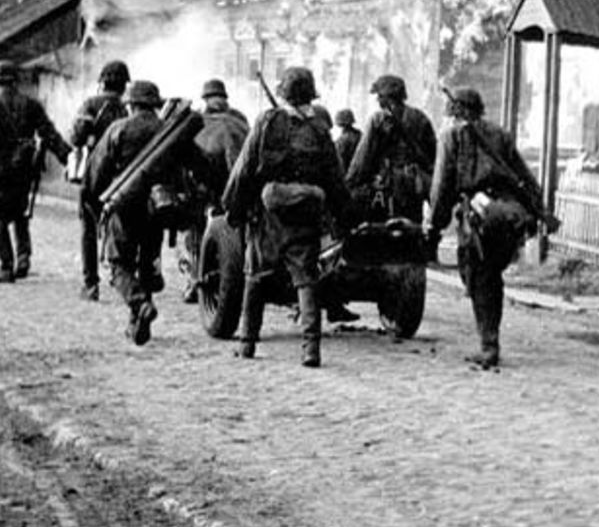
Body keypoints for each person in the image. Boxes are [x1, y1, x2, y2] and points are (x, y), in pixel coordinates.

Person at [222, 67, 351, 368]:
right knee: (306, 280)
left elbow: (244, 168)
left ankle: (247, 344)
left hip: (268, 217)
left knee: (255, 277)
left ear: (283, 94)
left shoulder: (267, 122)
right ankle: (310, 350)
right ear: (309, 96)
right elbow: (335, 179)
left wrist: (233, 208)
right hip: (305, 217)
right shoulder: (320, 129)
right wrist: (344, 215)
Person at [428, 88, 559, 369]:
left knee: (479, 275)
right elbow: (523, 176)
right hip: (509, 214)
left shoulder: (451, 136)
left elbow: (442, 185)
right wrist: (540, 212)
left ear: (456, 110)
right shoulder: (500, 135)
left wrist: (435, 225)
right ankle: (490, 340)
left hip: (479, 215)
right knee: (489, 275)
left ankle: (489, 346)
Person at [85, 80, 204, 345]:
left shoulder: (119, 129)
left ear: (131, 104)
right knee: (148, 264)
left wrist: (94, 200)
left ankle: (139, 306)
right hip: (158, 208)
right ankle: (139, 323)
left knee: (119, 266)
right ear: (154, 105)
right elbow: (198, 161)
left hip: (125, 206)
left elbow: (96, 171)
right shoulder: (170, 131)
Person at [0, 60, 72, 283]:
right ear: (15, 80)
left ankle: (6, 266)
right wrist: (66, 155)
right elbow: (48, 133)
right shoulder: (32, 105)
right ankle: (23, 257)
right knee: (20, 213)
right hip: (25, 168)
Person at [181, 78, 250, 303]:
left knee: (196, 233)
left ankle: (195, 282)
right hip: (239, 189)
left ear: (206, 100)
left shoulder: (197, 124)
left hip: (206, 191)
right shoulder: (241, 122)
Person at [70, 60, 131, 300]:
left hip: (95, 176)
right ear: (124, 85)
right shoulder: (129, 108)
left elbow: (76, 138)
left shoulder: (91, 104)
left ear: (103, 81)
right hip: (124, 178)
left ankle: (91, 284)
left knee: (88, 227)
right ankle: (124, 278)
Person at [345, 74, 436, 221]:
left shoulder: (377, 120)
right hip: (414, 185)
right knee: (412, 227)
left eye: (380, 96)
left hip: (386, 185)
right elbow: (432, 155)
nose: (378, 100)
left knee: (384, 231)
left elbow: (362, 158)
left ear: (387, 97)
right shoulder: (420, 117)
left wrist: (349, 184)